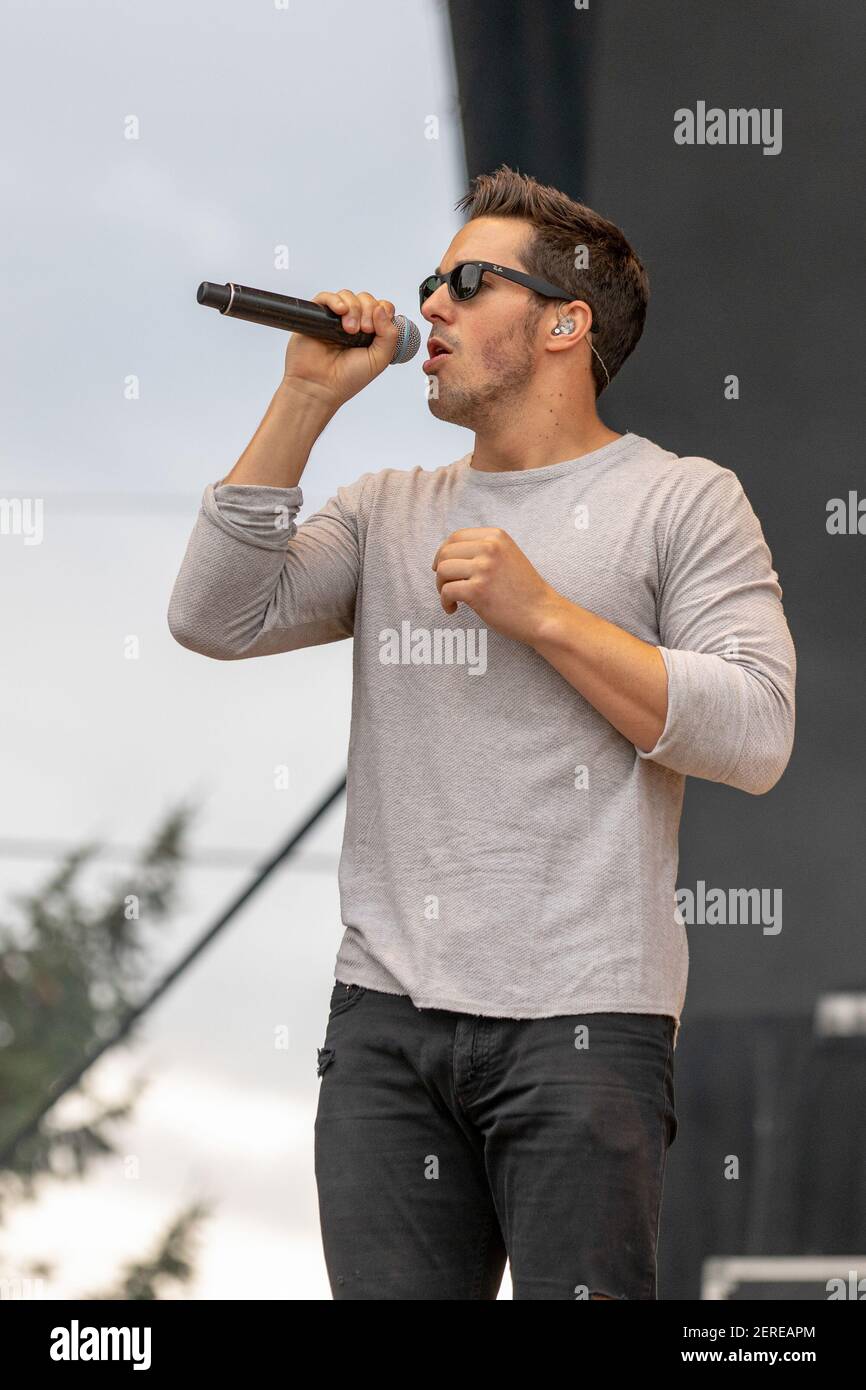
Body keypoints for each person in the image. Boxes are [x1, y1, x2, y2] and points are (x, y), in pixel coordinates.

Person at [167, 165, 796, 1300]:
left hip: (584, 1022)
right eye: (431, 281)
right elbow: (211, 616)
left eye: (466, 280)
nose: (433, 307)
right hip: (385, 1023)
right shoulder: (389, 507)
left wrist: (545, 614)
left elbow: (753, 730)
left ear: (565, 322)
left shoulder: (681, 500)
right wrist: (305, 401)